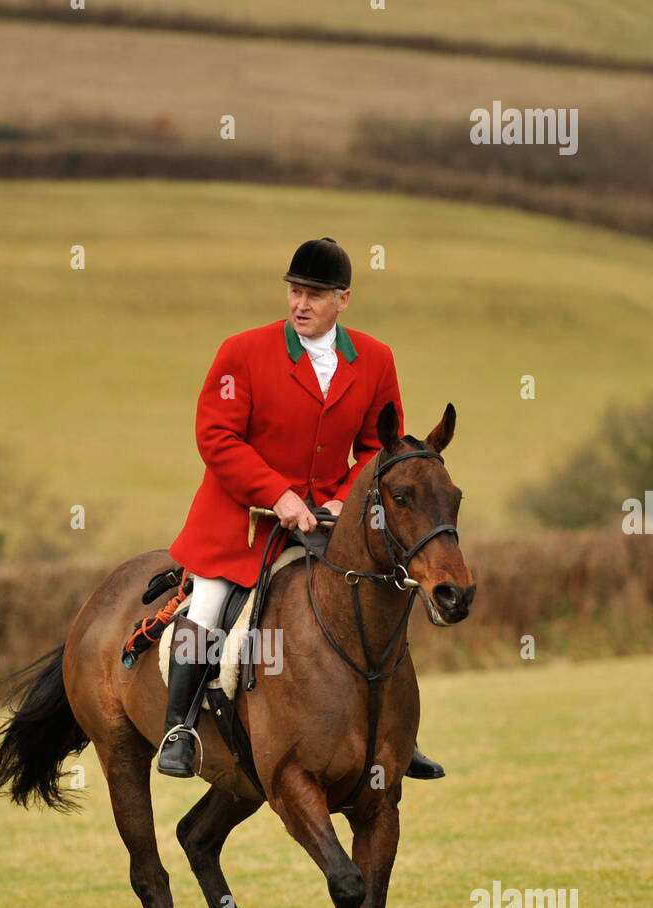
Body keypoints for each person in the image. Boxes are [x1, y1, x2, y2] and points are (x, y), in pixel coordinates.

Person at [157, 236, 444, 782]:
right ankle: (180, 726)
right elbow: (216, 436)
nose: (300, 304)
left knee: (378, 600)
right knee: (210, 605)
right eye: (294, 292)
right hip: (240, 523)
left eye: (314, 294)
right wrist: (276, 494)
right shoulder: (241, 352)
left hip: (326, 523)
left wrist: (345, 496)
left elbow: (378, 449)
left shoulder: (376, 359)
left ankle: (398, 735)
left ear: (344, 299)